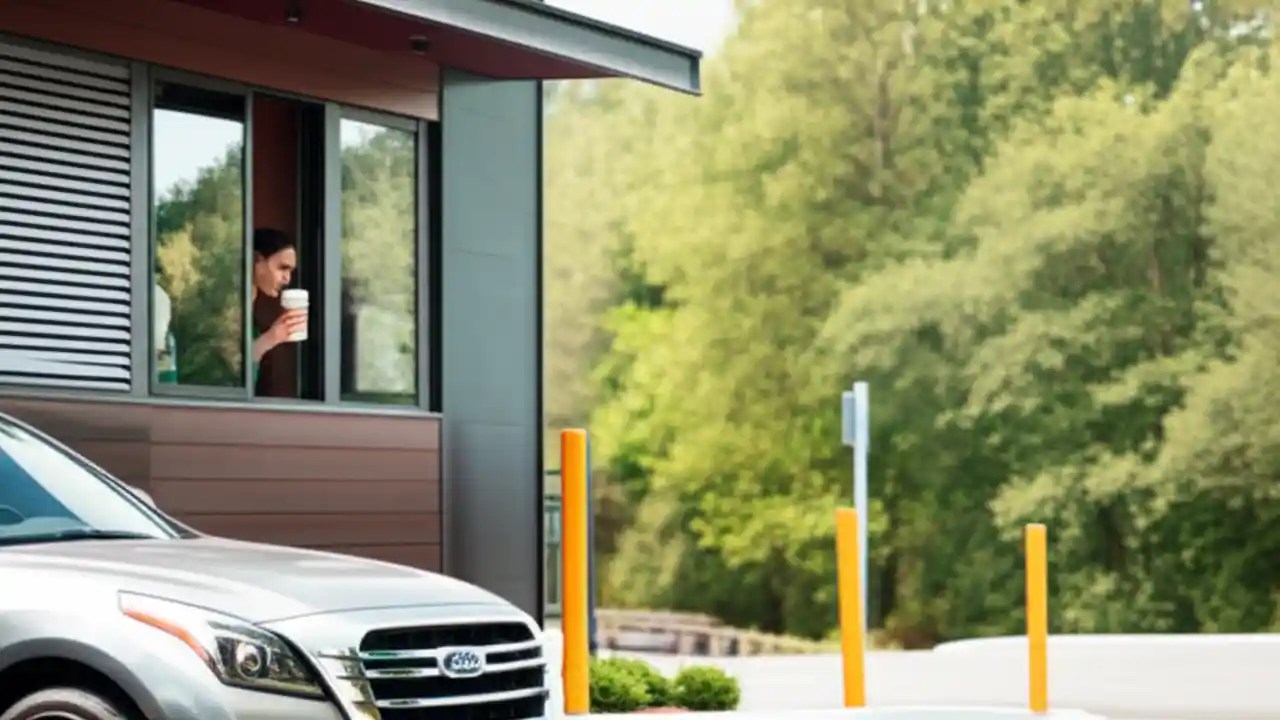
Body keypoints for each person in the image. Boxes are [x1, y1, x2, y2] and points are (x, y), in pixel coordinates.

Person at [250, 228, 306, 382]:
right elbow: (232, 373)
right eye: (282, 268)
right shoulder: (227, 307)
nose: (287, 278)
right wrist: (270, 338)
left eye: (291, 271)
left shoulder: (251, 313)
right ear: (256, 260)